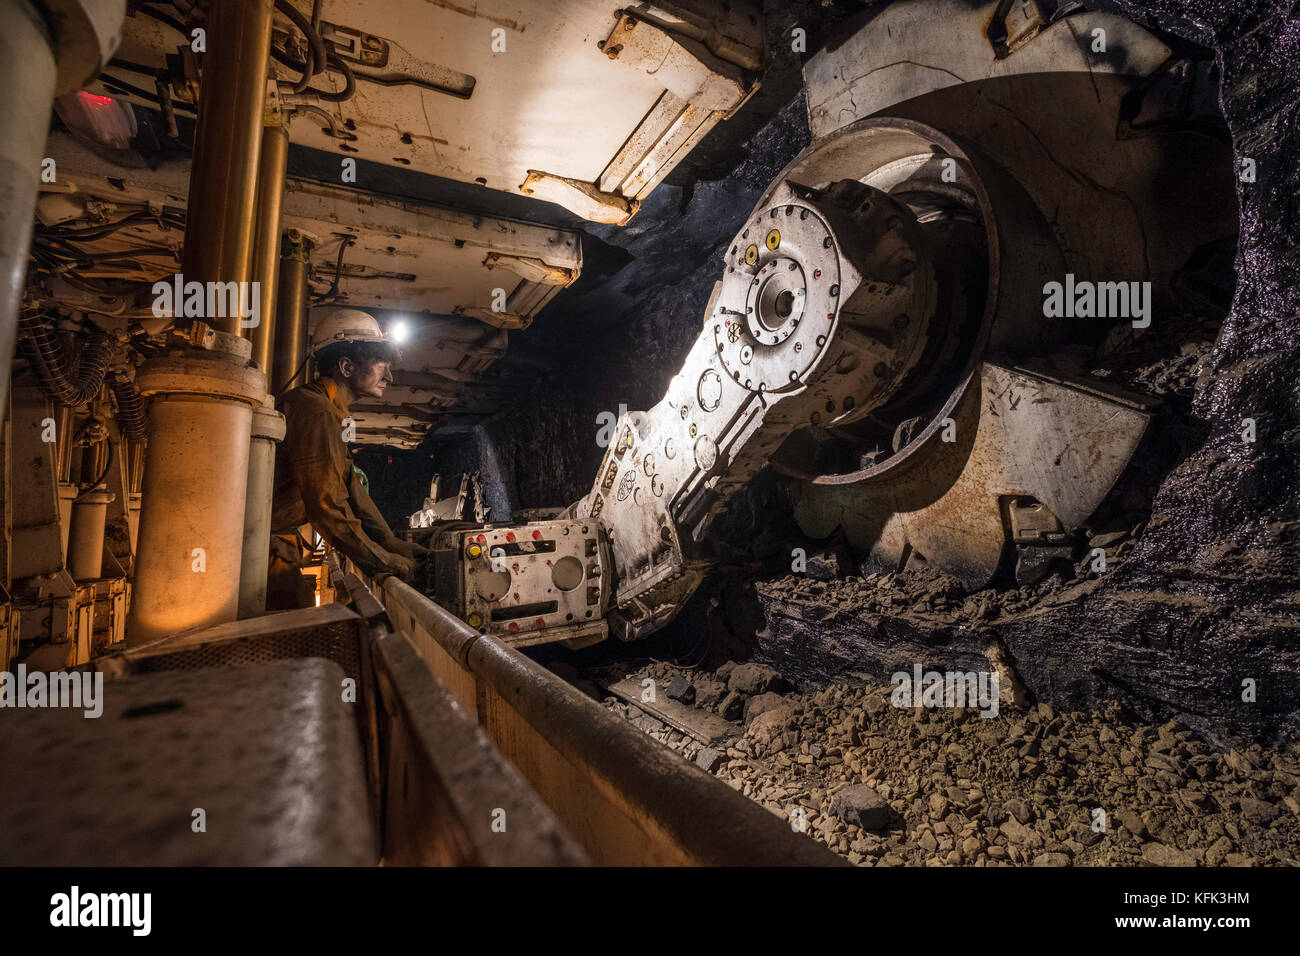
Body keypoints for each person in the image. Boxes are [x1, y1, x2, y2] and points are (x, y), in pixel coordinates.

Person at [266, 308, 427, 610]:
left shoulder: (327, 410)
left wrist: (390, 542)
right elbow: (327, 504)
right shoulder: (318, 412)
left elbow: (350, 485)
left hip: (268, 545)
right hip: (261, 551)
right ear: (346, 367)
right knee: (297, 631)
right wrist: (380, 560)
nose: (389, 376)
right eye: (381, 364)